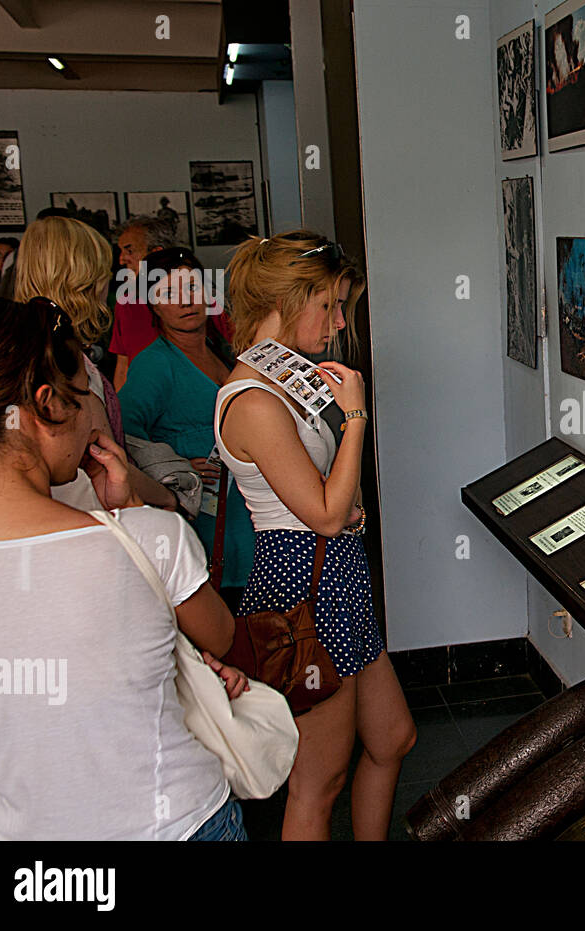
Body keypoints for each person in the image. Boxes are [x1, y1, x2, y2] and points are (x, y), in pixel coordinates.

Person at [0, 297, 248, 840]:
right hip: (176, 824)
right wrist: (132, 512)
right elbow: (220, 633)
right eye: (84, 397)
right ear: (47, 404)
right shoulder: (144, 540)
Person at [216, 231, 414, 840]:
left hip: (338, 575)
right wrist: (356, 413)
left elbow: (337, 501)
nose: (335, 323)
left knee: (392, 738)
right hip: (303, 582)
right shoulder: (252, 399)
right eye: (326, 305)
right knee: (317, 784)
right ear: (289, 298)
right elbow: (327, 513)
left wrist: (343, 500)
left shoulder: (288, 383)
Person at [12, 214, 179, 512]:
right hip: (86, 513)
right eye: (104, 272)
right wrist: (171, 496)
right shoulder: (65, 358)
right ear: (85, 280)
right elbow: (105, 459)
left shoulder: (16, 346)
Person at [119, 247, 255, 594]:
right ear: (152, 305)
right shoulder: (153, 365)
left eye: (192, 287)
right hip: (204, 518)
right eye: (168, 293)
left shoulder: (223, 348)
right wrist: (173, 466)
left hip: (247, 512)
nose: (185, 301)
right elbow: (123, 433)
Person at [110, 216, 176, 390]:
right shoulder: (126, 302)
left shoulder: (199, 298)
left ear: (155, 253)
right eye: (121, 251)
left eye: (129, 251)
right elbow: (123, 366)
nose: (122, 260)